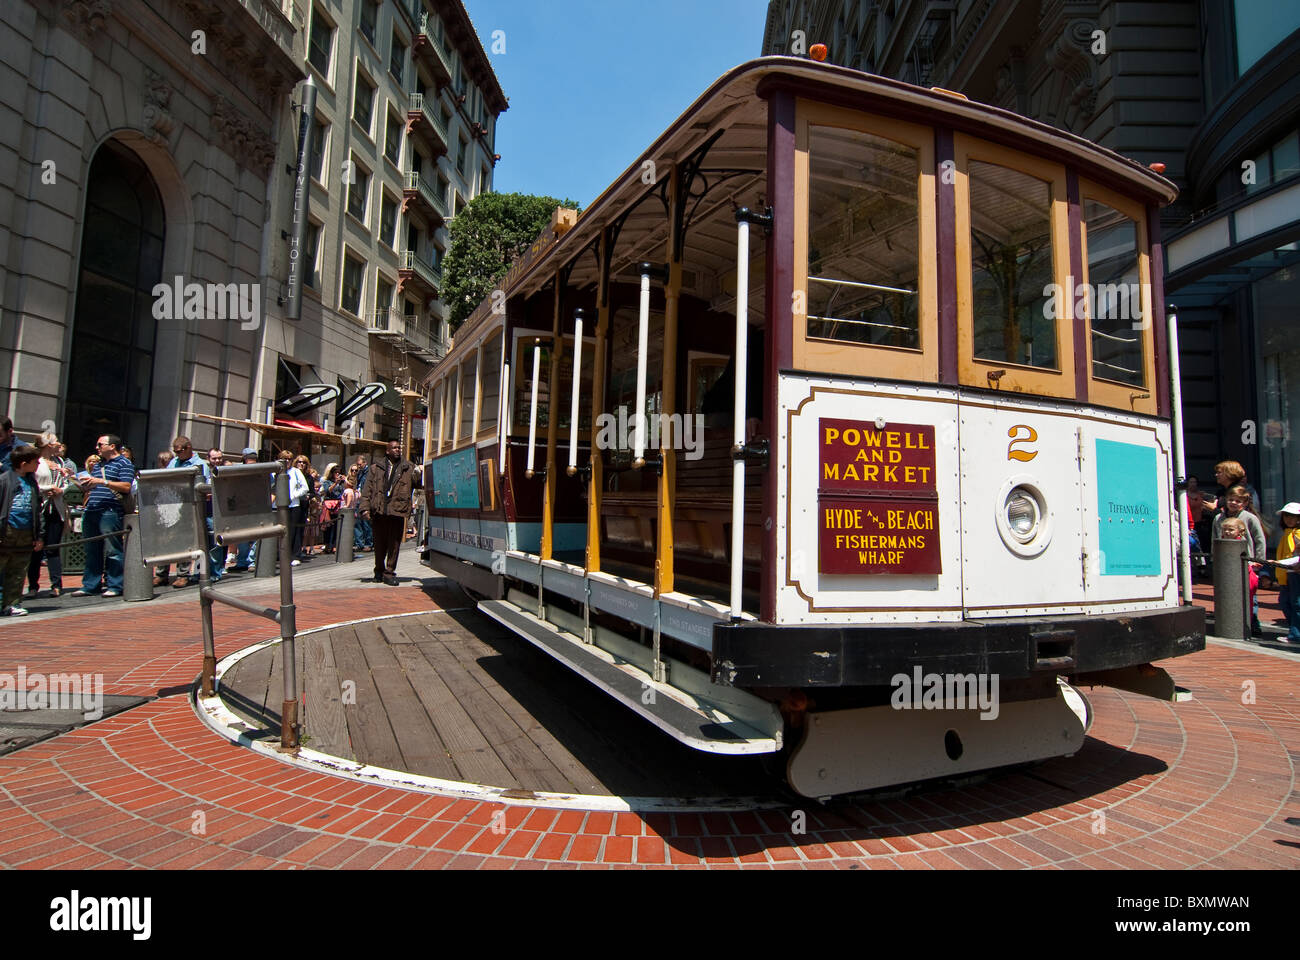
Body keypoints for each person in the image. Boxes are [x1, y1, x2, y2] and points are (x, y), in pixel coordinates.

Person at [71, 434, 134, 597]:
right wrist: (80, 482)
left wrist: (102, 482)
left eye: (100, 445)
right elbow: (92, 486)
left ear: (112, 446)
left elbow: (126, 486)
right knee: (92, 548)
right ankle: (90, 585)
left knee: (113, 549)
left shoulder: (124, 463)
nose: (97, 448)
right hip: (92, 508)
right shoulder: (99, 464)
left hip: (110, 511)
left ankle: (115, 585)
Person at [360, 440, 419, 585]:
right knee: (379, 543)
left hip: (397, 511)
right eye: (394, 448)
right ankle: (378, 571)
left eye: (399, 447)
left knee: (394, 544)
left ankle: (389, 572)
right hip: (379, 511)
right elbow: (367, 490)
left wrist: (419, 474)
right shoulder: (376, 468)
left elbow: (418, 484)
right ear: (387, 451)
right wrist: (364, 508)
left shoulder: (409, 467)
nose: (398, 450)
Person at [27, 433, 74, 598]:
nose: (59, 444)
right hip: (41, 507)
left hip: (56, 507)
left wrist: (62, 489)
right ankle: (33, 586)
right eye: (55, 441)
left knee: (53, 547)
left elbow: (67, 482)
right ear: (48, 445)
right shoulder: (36, 462)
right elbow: (31, 484)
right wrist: (48, 489)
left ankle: (56, 585)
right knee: (36, 548)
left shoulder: (60, 462)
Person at [161, 437, 211, 588]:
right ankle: (161, 574)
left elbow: (204, 487)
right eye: (175, 451)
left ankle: (183, 574)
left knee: (184, 540)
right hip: (171, 506)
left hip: (188, 507)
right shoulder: (174, 462)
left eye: (179, 451)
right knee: (166, 540)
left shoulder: (200, 465)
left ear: (188, 447)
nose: (177, 455)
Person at [0, 445, 44, 615]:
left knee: (18, 570)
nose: (38, 464)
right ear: (24, 463)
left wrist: (39, 535)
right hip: (7, 530)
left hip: (26, 531)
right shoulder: (4, 480)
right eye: (35, 462)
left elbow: (37, 509)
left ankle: (12, 603)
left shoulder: (32, 482)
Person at [274, 450, 311, 564]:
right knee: (279, 531)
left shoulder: (296, 472)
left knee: (293, 531)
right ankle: (279, 554)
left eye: (289, 459)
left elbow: (305, 488)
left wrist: (293, 495)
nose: (287, 461)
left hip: (293, 505)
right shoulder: (274, 472)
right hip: (279, 506)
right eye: (285, 459)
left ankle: (294, 555)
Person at [230, 447, 260, 571]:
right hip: (242, 508)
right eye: (249, 458)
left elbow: (272, 487)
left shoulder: (262, 471)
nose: (251, 461)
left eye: (254, 458)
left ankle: (252, 560)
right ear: (244, 459)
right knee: (242, 535)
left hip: (257, 507)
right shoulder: (238, 470)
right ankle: (242, 560)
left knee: (256, 534)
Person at [353, 456, 373, 553]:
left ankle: (368, 543)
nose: (358, 466)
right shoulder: (359, 473)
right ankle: (359, 543)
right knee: (358, 523)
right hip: (358, 499)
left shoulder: (369, 472)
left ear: (365, 463)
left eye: (360, 464)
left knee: (366, 523)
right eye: (357, 464)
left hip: (365, 500)